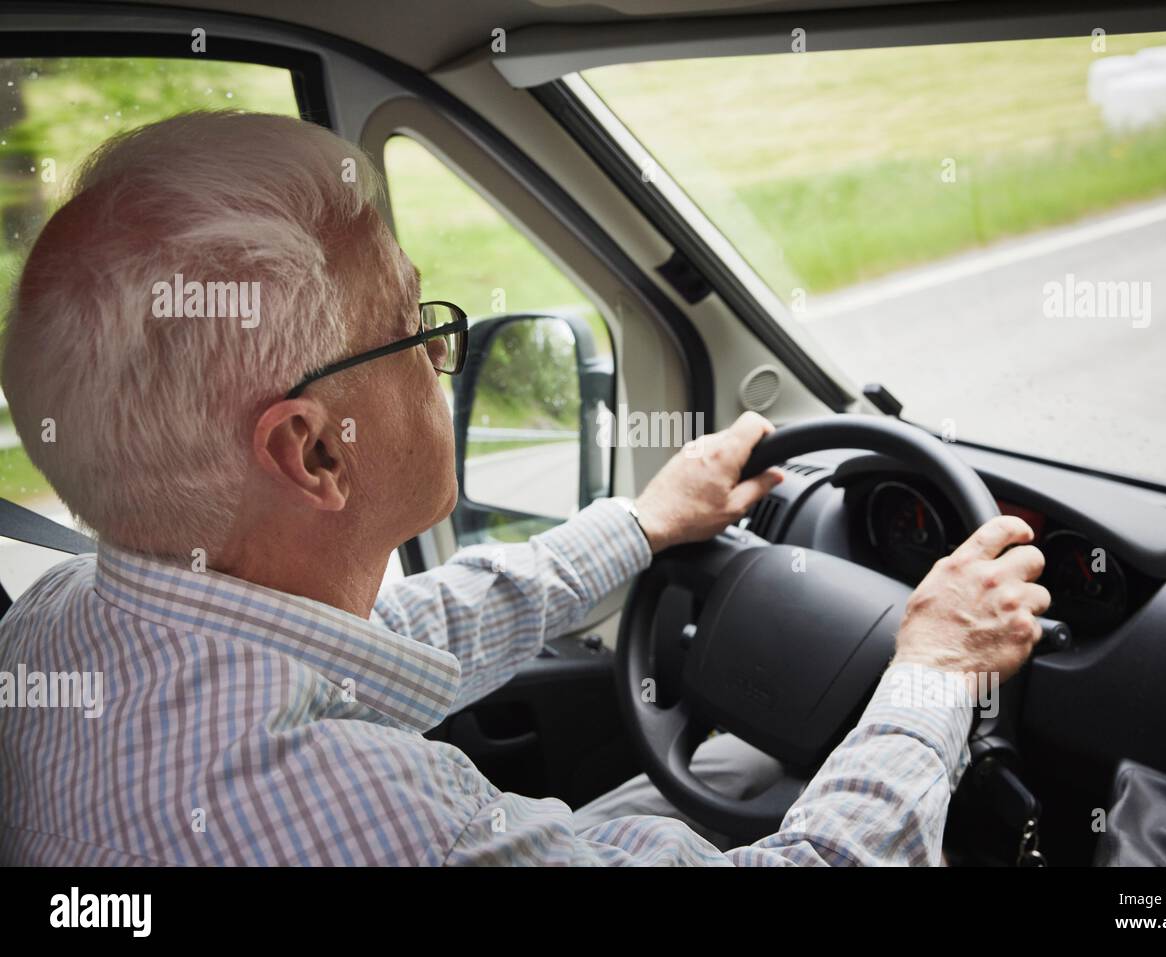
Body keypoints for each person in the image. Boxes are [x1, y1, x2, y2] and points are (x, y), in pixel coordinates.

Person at [0, 112, 1049, 865]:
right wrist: (937, 669)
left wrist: (641, 524)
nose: (441, 351)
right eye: (418, 328)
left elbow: (396, 639)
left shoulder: (63, 623)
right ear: (315, 454)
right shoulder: (377, 818)